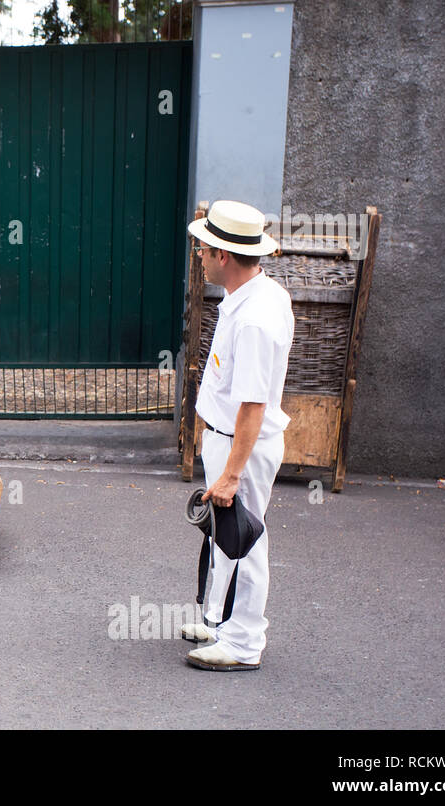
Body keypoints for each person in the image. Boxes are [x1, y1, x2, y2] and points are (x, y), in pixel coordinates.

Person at [181, 200, 294, 671]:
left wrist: (231, 475)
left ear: (223, 256)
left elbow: (253, 404)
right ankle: (218, 620)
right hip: (228, 439)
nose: (200, 256)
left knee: (245, 542)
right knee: (223, 536)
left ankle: (244, 643)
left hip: (239, 443)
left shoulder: (253, 318)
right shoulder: (253, 295)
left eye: (203, 249)